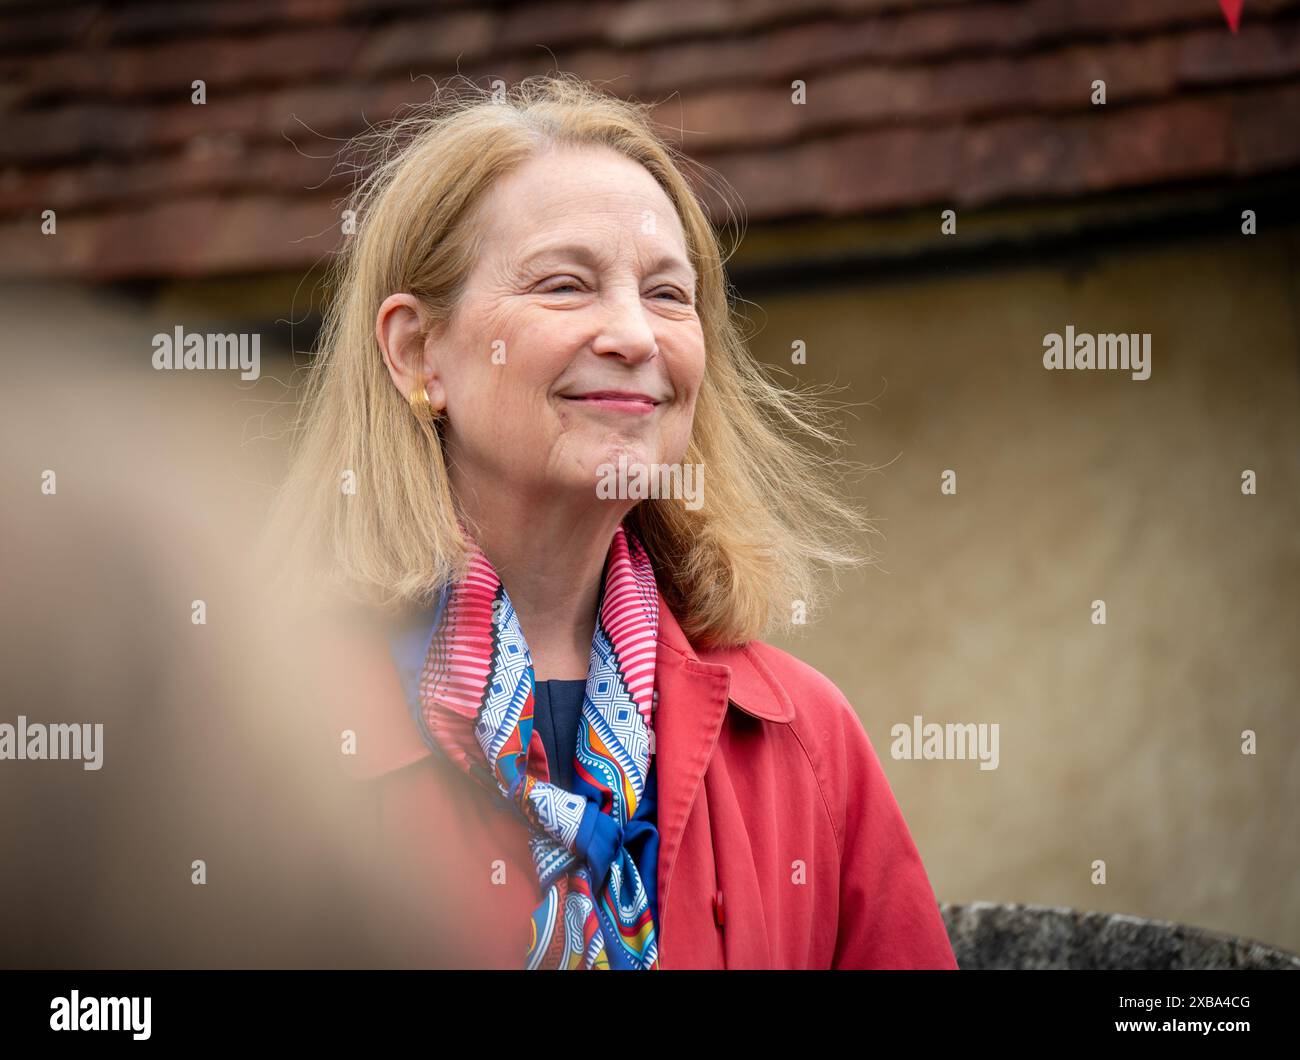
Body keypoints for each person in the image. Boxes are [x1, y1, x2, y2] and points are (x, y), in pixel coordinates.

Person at [265, 73, 959, 970]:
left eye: (670, 296)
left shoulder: (801, 738)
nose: (636, 335)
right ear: (414, 352)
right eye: (565, 284)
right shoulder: (264, 730)